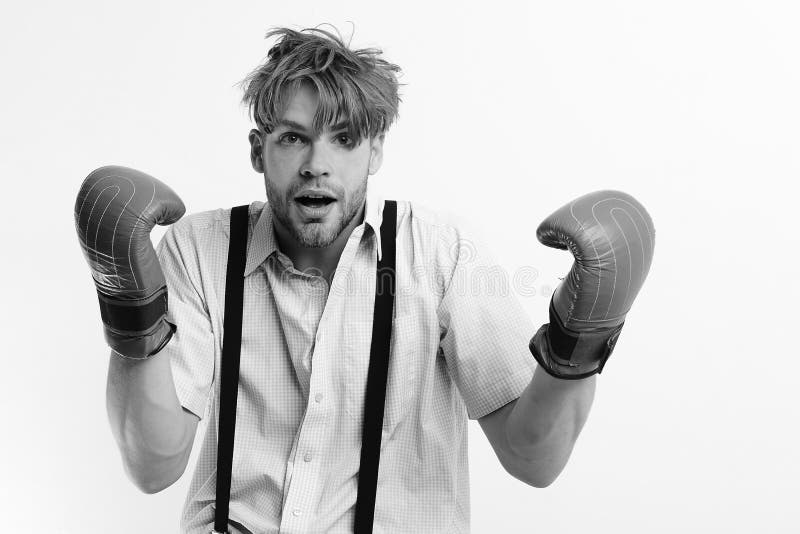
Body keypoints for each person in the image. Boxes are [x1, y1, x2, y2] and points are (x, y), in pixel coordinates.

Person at [74, 26, 655, 534]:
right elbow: (153, 466)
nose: (316, 165)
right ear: (258, 150)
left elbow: (534, 460)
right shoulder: (200, 249)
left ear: (376, 150)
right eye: (293, 137)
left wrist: (580, 336)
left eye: (345, 138)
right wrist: (129, 304)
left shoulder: (441, 253)